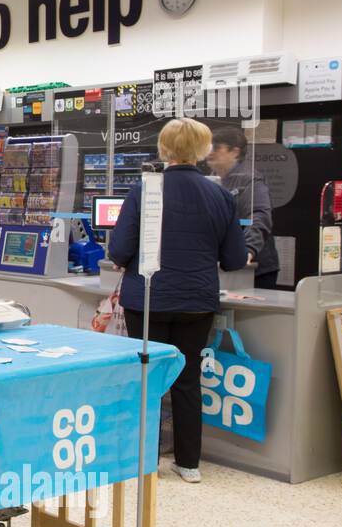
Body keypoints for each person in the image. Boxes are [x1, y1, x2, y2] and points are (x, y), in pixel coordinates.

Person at [107, 118, 249, 484]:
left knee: (148, 379)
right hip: (196, 301)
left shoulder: (145, 191)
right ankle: (189, 464)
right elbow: (234, 259)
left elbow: (120, 250)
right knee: (187, 381)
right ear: (203, 150)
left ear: (163, 149)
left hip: (148, 299)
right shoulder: (220, 196)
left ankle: (145, 462)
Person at [207, 127, 280, 289]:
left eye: (217, 148)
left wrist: (248, 249)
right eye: (209, 147)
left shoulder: (250, 180)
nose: (210, 153)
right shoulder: (211, 181)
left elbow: (259, 216)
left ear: (235, 152)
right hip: (222, 266)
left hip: (254, 268)